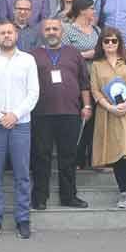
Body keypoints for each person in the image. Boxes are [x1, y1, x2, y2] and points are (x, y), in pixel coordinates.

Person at [0, 20, 40, 240]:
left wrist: (15, 115)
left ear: (16, 35)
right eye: (2, 32)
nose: (6, 35)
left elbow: (33, 93)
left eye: (10, 32)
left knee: (22, 173)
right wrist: (0, 115)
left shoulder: (28, 60)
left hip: (21, 123)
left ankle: (23, 218)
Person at [31, 18, 91, 210]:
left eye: (55, 29)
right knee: (41, 156)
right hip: (41, 114)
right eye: (48, 29)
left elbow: (84, 82)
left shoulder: (74, 53)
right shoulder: (33, 55)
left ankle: (69, 196)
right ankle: (40, 197)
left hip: (70, 113)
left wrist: (87, 106)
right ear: (42, 32)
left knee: (68, 157)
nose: (51, 32)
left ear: (62, 32)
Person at [89, 26, 126, 210]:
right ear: (101, 44)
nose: (110, 44)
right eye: (106, 41)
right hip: (109, 114)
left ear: (119, 42)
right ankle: (122, 192)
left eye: (114, 40)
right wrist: (109, 107)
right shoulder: (97, 65)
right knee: (115, 154)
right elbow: (95, 90)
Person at [63, 0, 101, 169]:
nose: (94, 11)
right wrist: (87, 54)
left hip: (96, 81)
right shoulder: (67, 29)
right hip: (75, 81)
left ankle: (94, 157)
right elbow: (64, 54)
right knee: (78, 121)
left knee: (94, 121)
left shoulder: (97, 30)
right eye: (91, 8)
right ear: (82, 10)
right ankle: (76, 158)